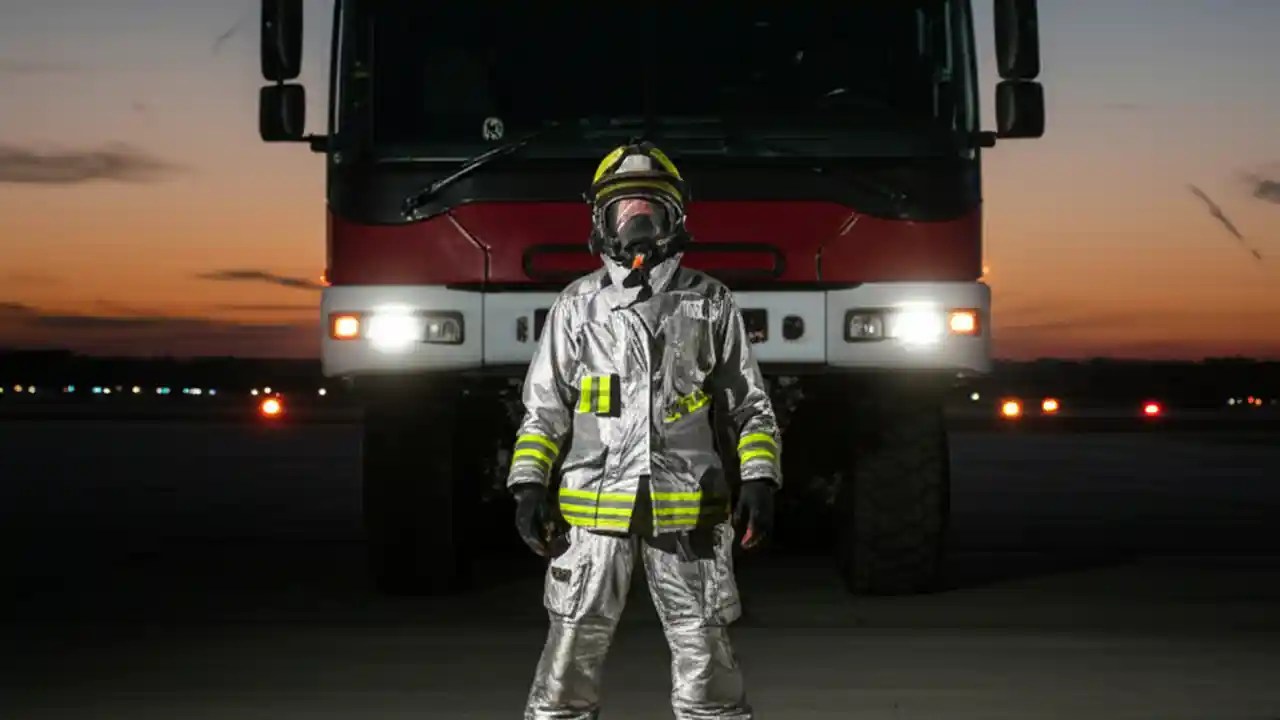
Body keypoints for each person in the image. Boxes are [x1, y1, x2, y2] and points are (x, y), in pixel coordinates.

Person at [507, 142, 781, 720]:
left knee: (706, 663)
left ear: (675, 220)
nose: (637, 226)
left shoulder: (710, 302)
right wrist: (527, 485)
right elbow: (544, 408)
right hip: (592, 516)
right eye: (623, 212)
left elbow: (749, 407)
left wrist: (759, 478)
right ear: (600, 222)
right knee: (567, 663)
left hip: (688, 515)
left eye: (650, 212)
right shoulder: (577, 306)